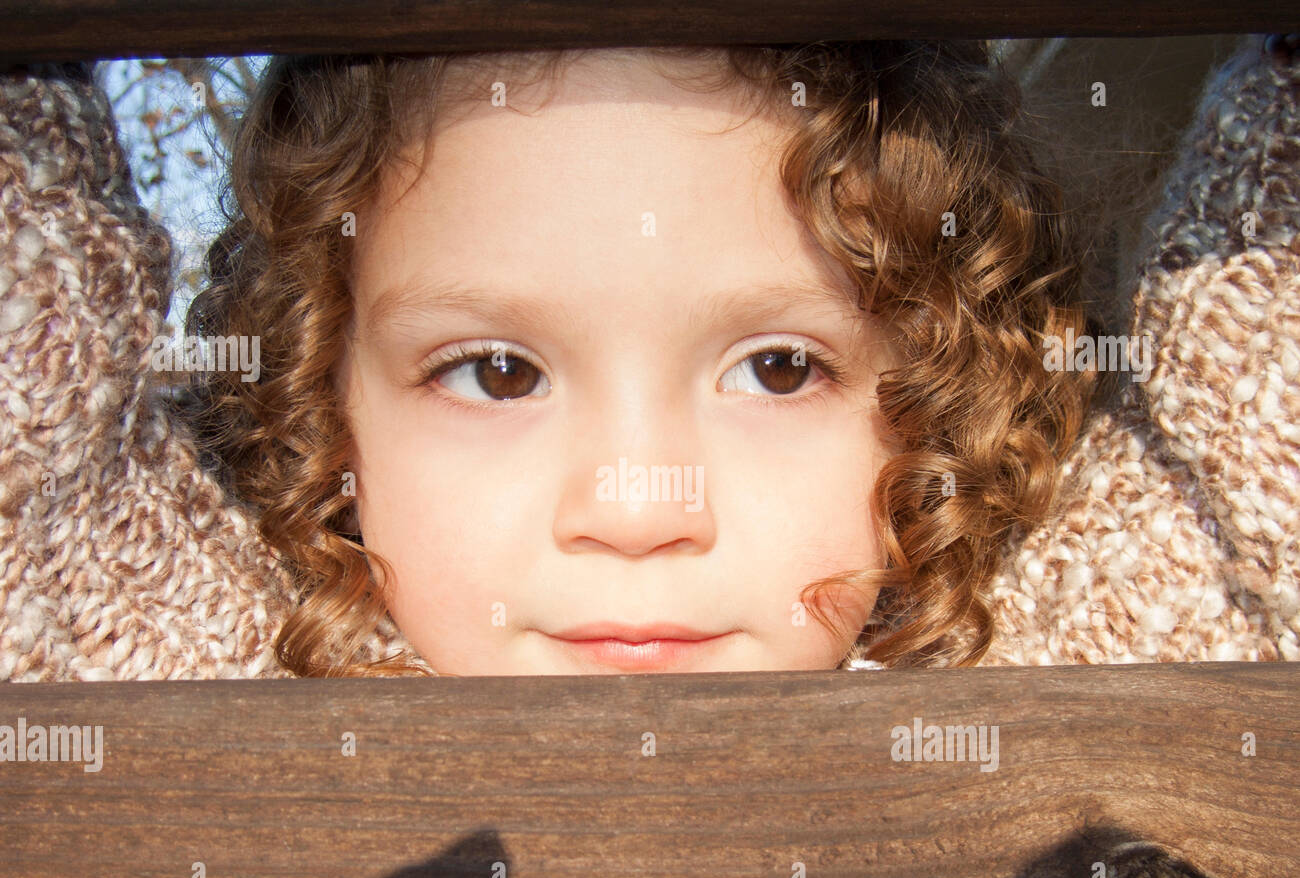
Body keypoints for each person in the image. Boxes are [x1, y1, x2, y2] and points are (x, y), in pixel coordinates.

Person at [1, 38, 1292, 680]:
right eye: (497, 373)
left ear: (934, 409)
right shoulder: (222, 660)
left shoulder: (1036, 660)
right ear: (323, 408)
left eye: (780, 370)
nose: (636, 511)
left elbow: (1263, 400)